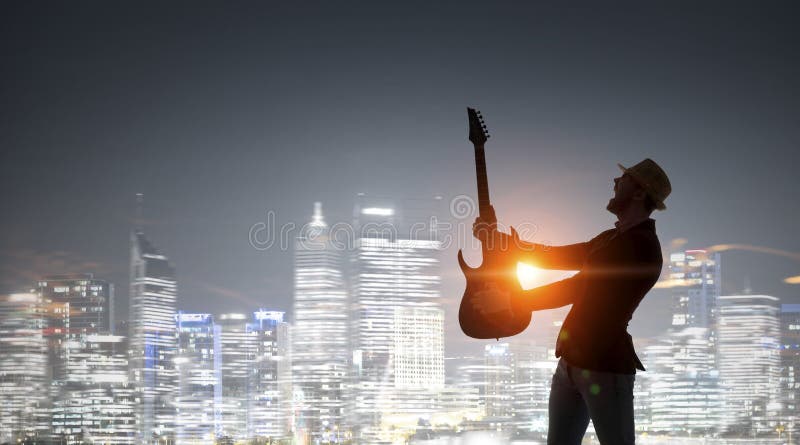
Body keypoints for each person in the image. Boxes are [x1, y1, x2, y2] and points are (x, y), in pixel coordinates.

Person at [471, 158, 671, 445]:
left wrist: (512, 301)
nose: (615, 182)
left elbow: (578, 287)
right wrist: (499, 240)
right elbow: (558, 256)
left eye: (624, 179)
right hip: (572, 365)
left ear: (639, 193)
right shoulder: (612, 238)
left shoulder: (640, 246)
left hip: (604, 367)